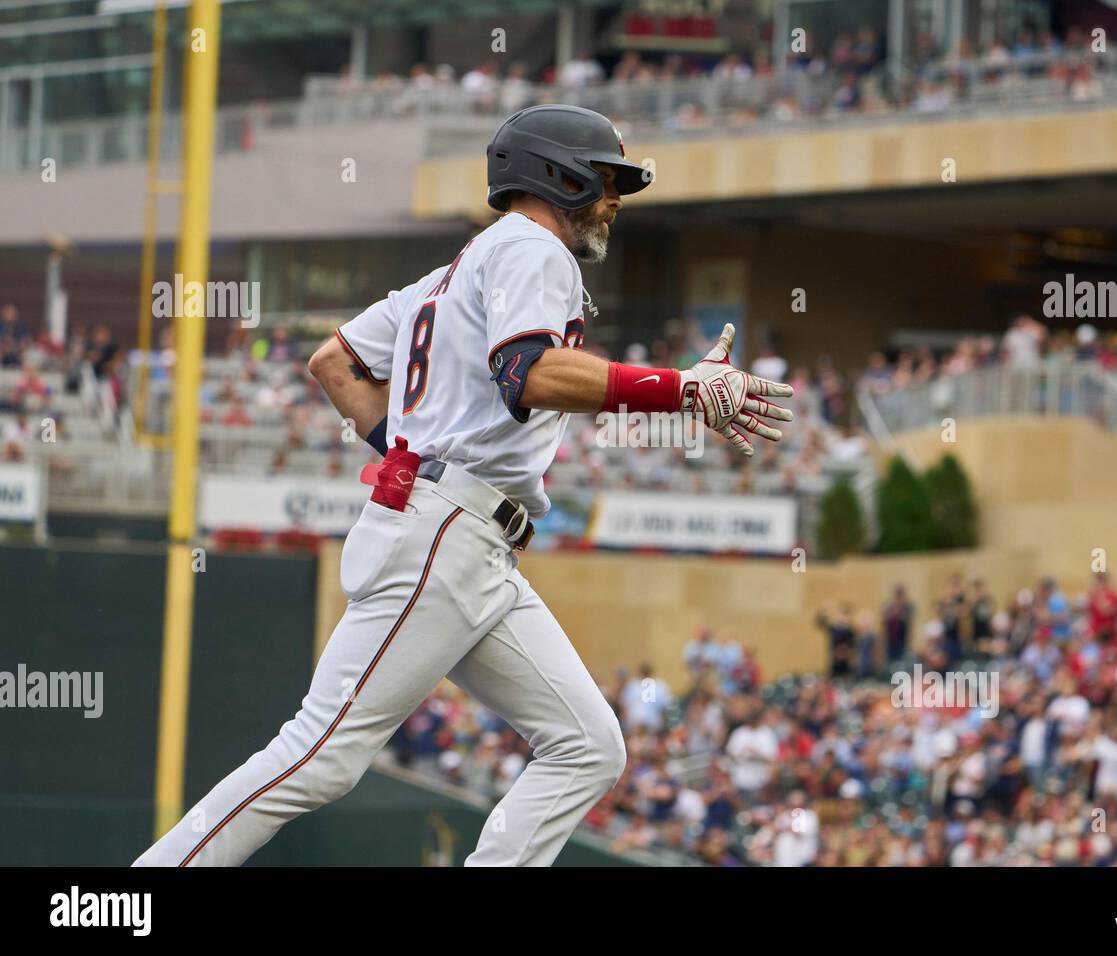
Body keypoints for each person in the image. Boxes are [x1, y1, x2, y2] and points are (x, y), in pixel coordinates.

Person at [134, 104, 793, 868]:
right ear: (559, 173)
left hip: (461, 530)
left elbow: (333, 363)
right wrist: (676, 387)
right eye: (607, 180)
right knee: (319, 756)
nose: (615, 198)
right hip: (447, 527)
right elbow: (531, 372)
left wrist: (408, 453)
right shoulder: (534, 249)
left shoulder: (451, 274)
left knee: (587, 746)